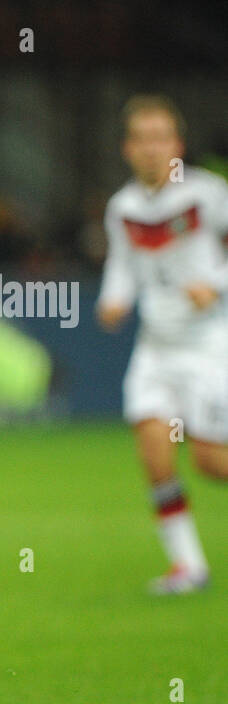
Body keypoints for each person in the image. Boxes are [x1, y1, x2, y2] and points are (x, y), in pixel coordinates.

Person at [97, 94, 228, 594]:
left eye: (162, 138)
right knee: (155, 455)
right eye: (142, 139)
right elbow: (123, 265)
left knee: (211, 463)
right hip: (155, 348)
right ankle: (188, 567)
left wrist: (215, 284)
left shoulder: (207, 193)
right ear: (127, 148)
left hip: (209, 345)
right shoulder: (122, 208)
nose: (153, 149)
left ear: (178, 145)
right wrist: (114, 300)